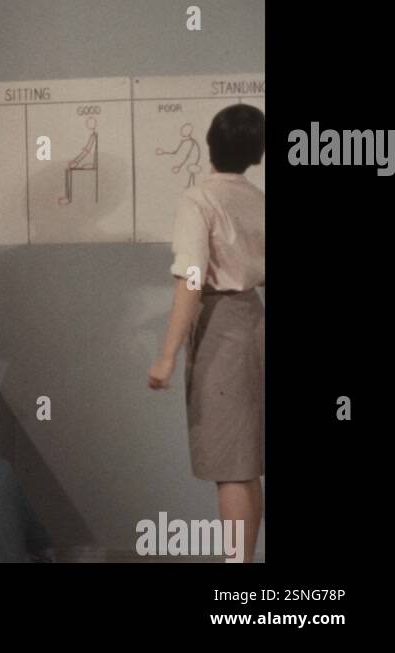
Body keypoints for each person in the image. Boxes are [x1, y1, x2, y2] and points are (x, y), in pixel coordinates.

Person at [147, 104, 265, 563]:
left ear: (211, 145)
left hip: (222, 328)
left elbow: (192, 281)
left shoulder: (199, 199)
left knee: (232, 468)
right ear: (256, 153)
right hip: (254, 322)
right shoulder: (257, 199)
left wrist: (167, 355)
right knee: (248, 463)